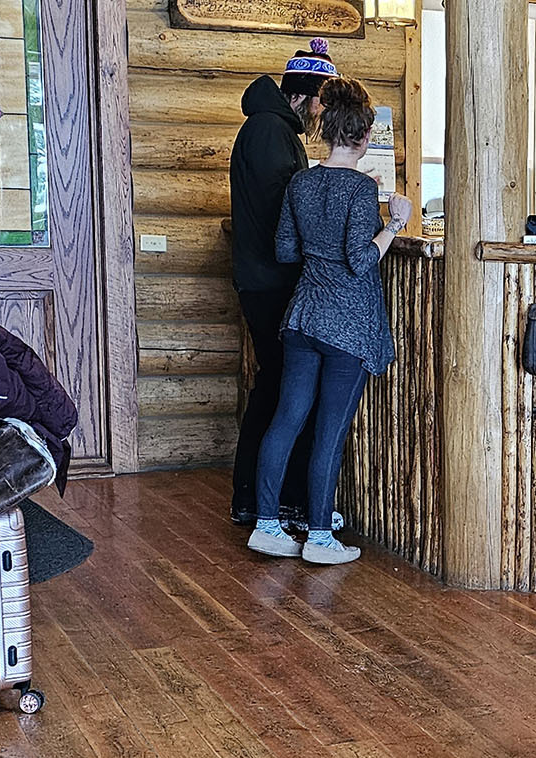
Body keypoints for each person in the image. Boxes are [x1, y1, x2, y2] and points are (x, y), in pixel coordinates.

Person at [247, 78, 412, 566]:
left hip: (302, 317)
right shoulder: (362, 189)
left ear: (325, 131)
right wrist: (395, 222)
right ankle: (319, 536)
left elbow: (285, 250)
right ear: (364, 137)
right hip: (347, 325)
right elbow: (361, 260)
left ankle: (267, 525)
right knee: (329, 432)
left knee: (286, 421)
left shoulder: (301, 182)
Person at [227, 38, 338, 528]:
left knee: (273, 389)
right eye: (321, 101)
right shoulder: (273, 132)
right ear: (302, 95)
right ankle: (276, 503)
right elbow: (284, 213)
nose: (321, 113)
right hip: (272, 281)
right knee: (282, 393)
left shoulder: (269, 127)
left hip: (263, 278)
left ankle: (253, 500)